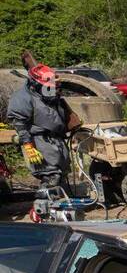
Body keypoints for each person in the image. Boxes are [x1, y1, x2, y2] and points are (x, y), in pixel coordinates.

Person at [6, 62, 71, 191]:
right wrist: (28, 145)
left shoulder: (47, 93)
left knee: (61, 174)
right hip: (39, 140)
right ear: (35, 84)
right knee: (51, 175)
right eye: (48, 86)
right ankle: (46, 205)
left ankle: (60, 205)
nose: (51, 89)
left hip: (56, 139)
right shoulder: (22, 98)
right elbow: (19, 123)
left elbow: (53, 110)